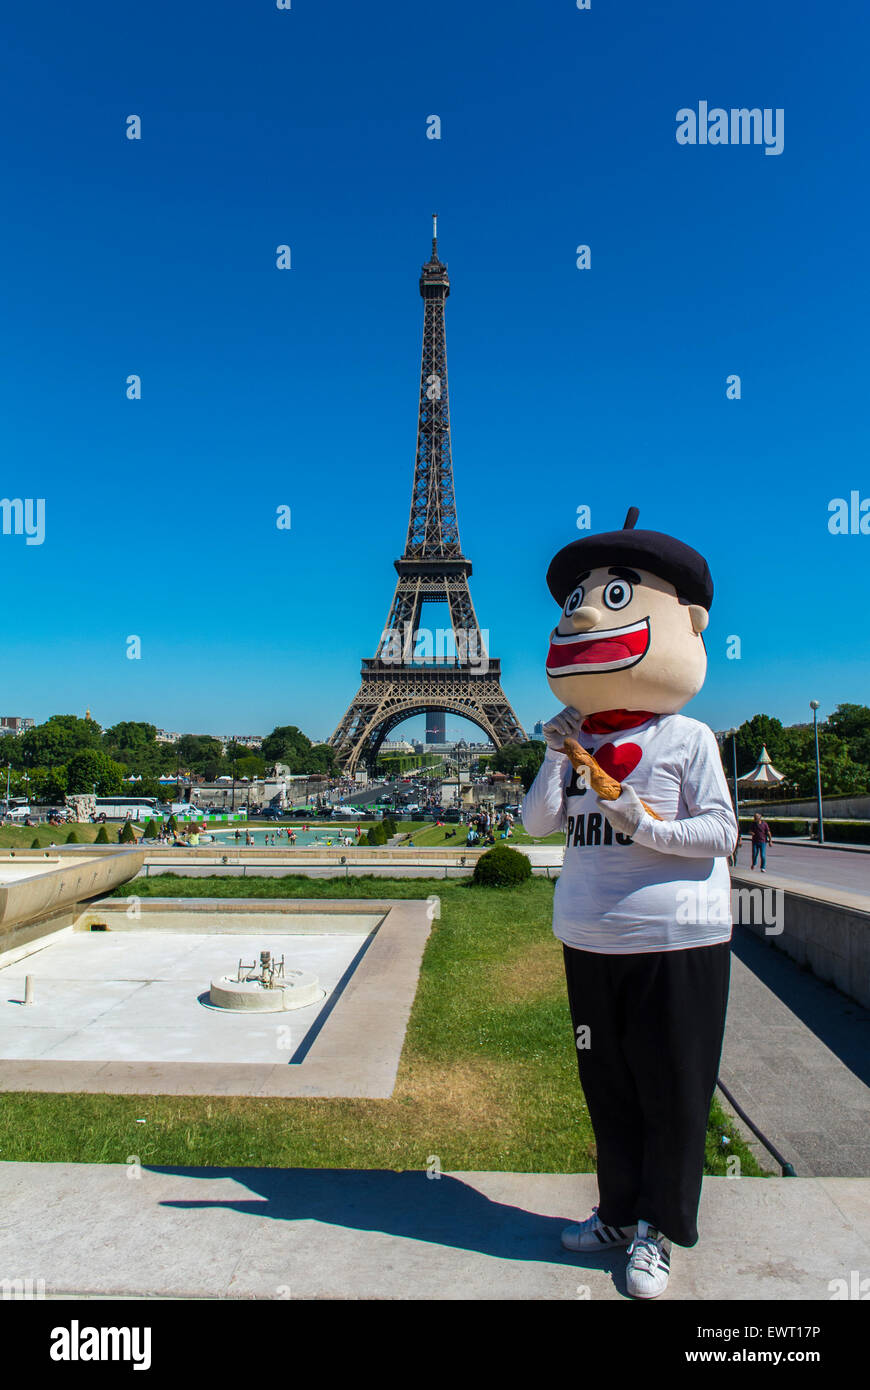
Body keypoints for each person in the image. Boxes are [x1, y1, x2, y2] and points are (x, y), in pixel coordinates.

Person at [523, 506, 735, 1300]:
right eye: (578, 596)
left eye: (611, 596)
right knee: (606, 1087)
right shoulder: (575, 741)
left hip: (677, 942)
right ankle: (617, 1211)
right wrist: (556, 754)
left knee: (674, 1090)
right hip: (589, 939)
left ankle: (661, 1229)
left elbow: (720, 832)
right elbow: (538, 824)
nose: (581, 610)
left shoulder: (689, 739)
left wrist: (643, 822)